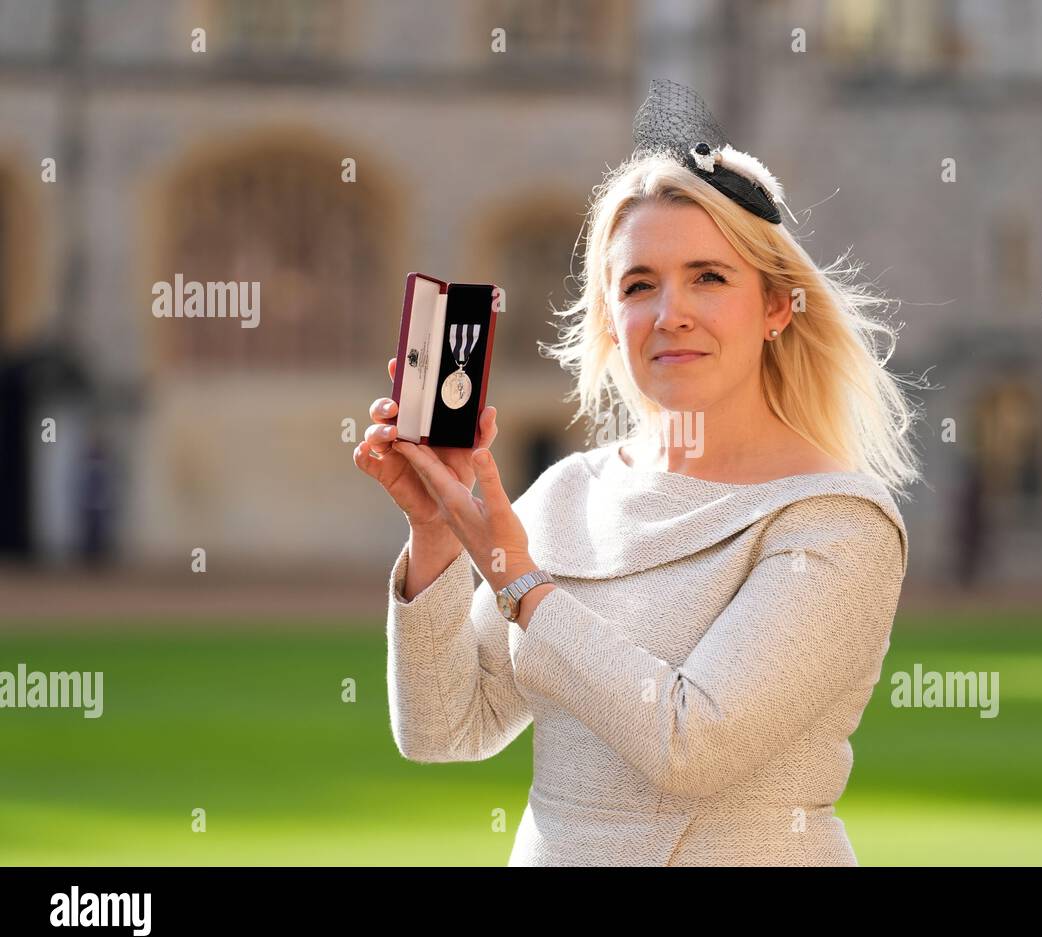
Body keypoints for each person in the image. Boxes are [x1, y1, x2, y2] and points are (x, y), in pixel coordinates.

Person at [354, 80, 922, 866]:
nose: (669, 314)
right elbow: (445, 731)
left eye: (709, 278)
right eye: (639, 286)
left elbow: (690, 742)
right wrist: (436, 537)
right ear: (612, 323)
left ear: (777, 307)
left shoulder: (838, 520)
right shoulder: (569, 493)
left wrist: (516, 576)